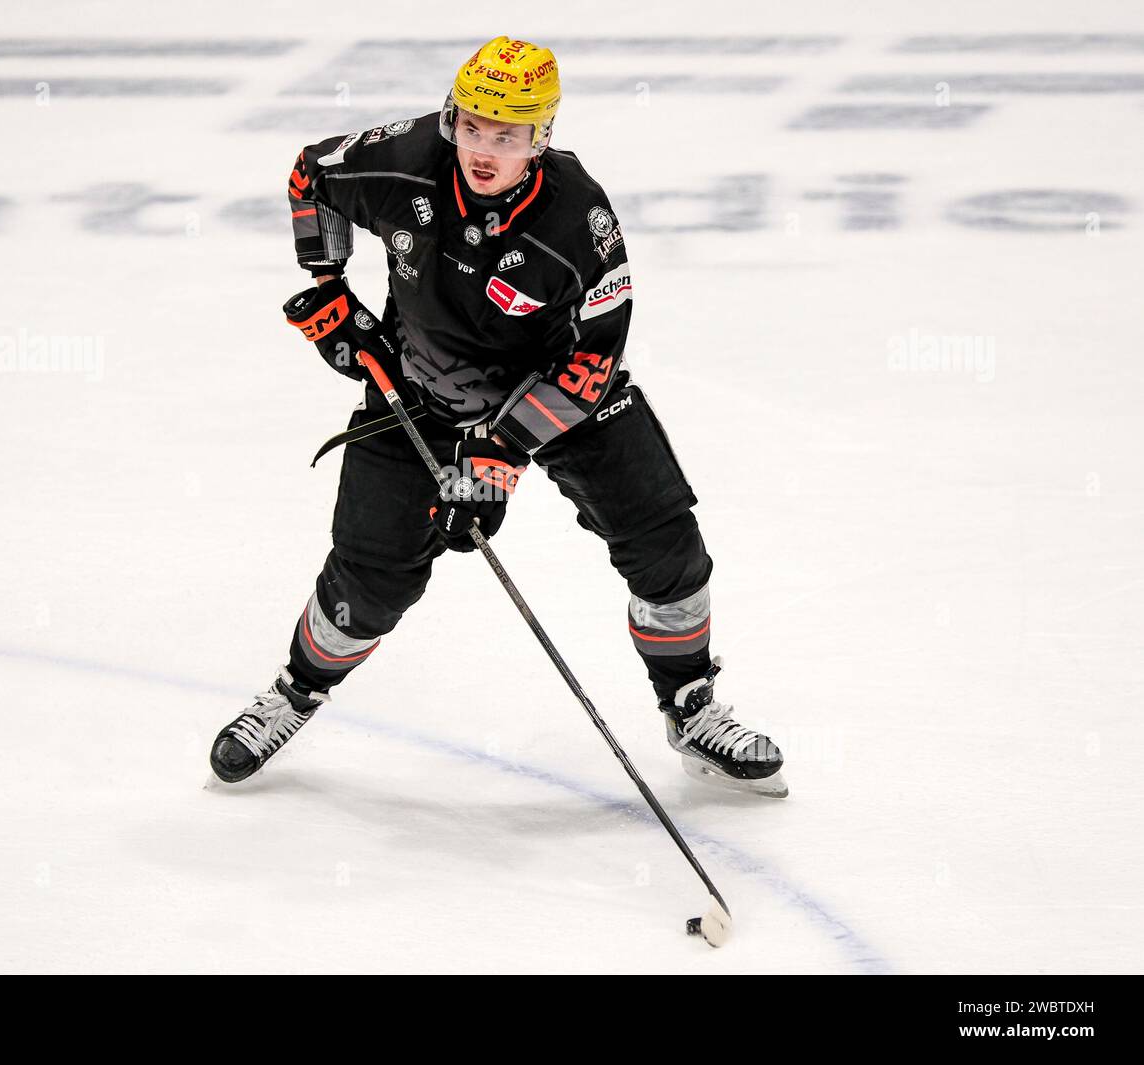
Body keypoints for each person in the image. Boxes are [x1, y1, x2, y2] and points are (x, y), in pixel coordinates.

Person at [209, 36, 786, 797]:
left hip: (555, 392)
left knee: (665, 544)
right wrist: (327, 285)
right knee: (369, 584)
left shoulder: (580, 219)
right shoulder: (404, 160)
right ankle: (295, 691)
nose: (484, 149)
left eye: (508, 135)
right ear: (453, 116)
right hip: (420, 387)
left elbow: (591, 364)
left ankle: (690, 707)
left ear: (540, 138)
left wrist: (500, 451)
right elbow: (310, 173)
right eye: (473, 125)